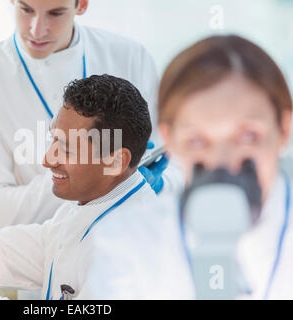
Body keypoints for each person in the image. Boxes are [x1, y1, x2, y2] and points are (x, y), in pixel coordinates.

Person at [82, 35, 293, 299]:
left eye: (247, 136)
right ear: (169, 140)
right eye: (197, 140)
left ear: (284, 129)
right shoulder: (125, 242)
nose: (222, 162)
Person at [0, 74, 158, 300]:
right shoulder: (77, 215)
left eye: (67, 149)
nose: (48, 159)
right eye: (54, 141)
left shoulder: (131, 248)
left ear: (115, 161)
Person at [0, 0, 182, 229]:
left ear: (81, 5)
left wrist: (161, 186)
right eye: (26, 9)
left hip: (129, 241)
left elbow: (175, 164)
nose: (36, 30)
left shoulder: (131, 57)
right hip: (36, 257)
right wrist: (100, 176)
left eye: (55, 13)